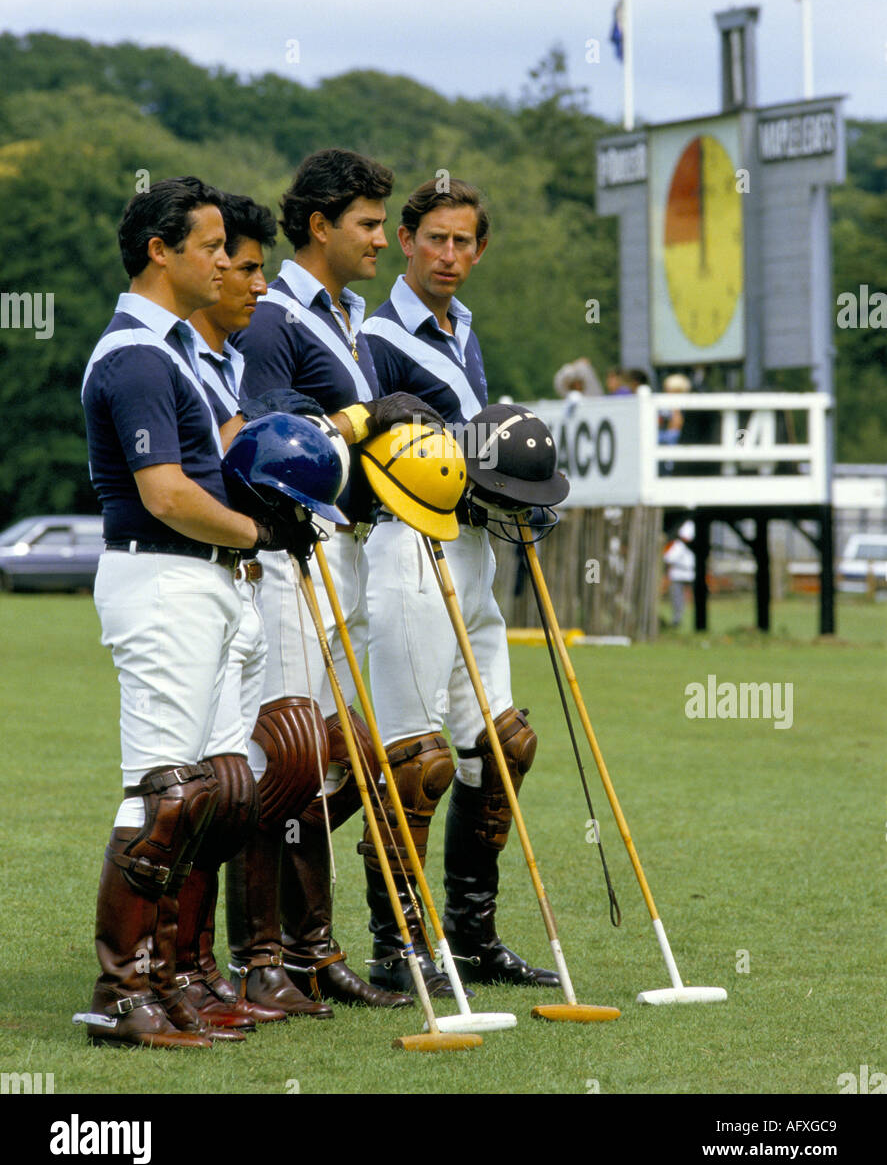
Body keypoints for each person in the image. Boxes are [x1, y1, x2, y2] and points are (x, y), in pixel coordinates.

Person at [78, 177, 300, 1049]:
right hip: (164, 577)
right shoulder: (134, 354)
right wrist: (255, 529)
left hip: (209, 582)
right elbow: (166, 493)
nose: (225, 260)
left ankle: (173, 980)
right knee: (163, 795)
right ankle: (119, 992)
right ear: (159, 252)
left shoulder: (183, 352)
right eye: (209, 246)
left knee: (210, 792)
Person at [229, 148, 435, 1014]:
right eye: (366, 224)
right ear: (319, 225)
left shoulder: (351, 316)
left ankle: (313, 949)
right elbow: (267, 432)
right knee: (289, 754)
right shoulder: (274, 316)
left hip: (346, 553)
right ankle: (260, 958)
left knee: (334, 757)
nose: (382, 240)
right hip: (287, 556)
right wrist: (358, 418)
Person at [360, 177, 559, 994]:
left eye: (463, 242)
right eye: (433, 239)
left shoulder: (463, 329)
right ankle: (399, 947)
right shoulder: (375, 335)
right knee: (415, 760)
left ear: (479, 249)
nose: (448, 256)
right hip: (408, 546)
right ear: (404, 240)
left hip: (475, 552)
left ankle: (473, 939)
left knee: (500, 748)